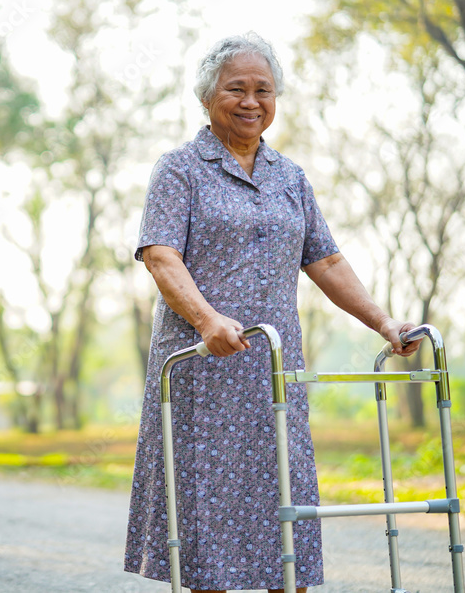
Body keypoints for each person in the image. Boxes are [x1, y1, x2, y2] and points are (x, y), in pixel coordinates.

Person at [122, 32, 421, 593]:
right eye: (236, 88)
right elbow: (161, 258)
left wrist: (385, 323)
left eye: (263, 89)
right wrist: (209, 321)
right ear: (207, 96)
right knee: (207, 520)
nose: (251, 101)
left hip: (272, 372)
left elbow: (326, 261)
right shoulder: (180, 169)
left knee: (285, 502)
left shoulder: (290, 177)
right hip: (202, 369)